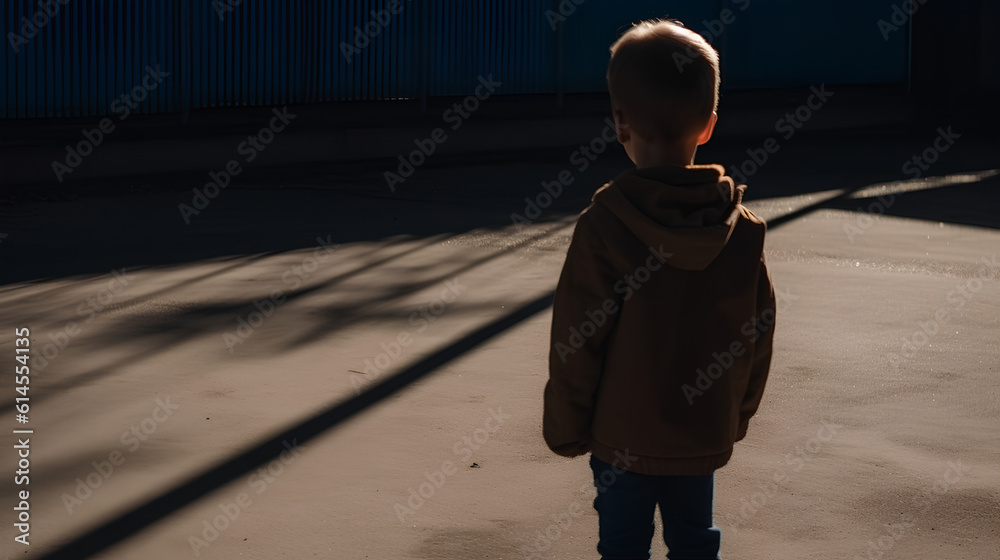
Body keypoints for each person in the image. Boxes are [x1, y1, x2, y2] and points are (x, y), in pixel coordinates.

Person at [543, 18, 776, 560]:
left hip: (621, 438)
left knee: (622, 546)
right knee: (696, 543)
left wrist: (566, 428)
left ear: (621, 123)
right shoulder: (741, 230)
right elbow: (757, 333)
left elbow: (578, 340)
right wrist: (733, 416)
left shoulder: (605, 226)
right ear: (709, 126)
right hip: (700, 433)